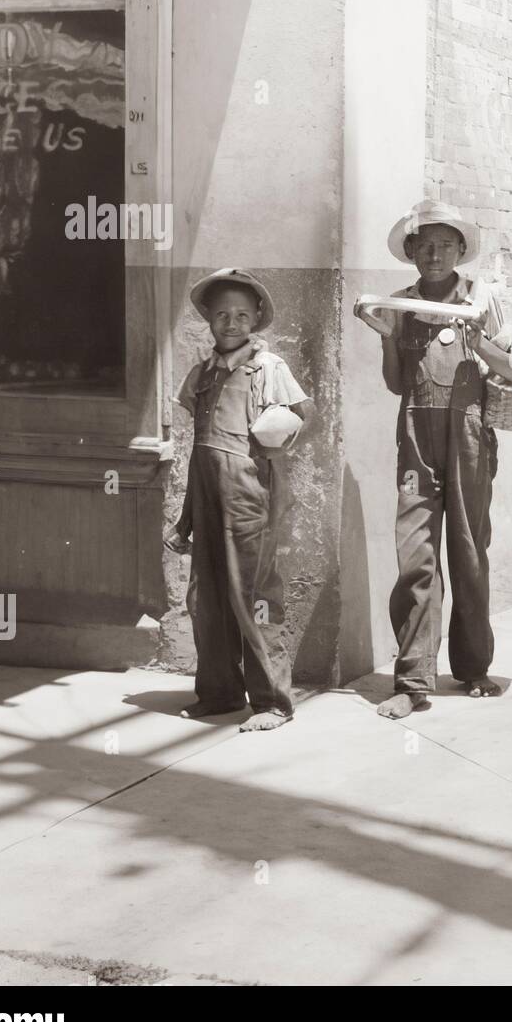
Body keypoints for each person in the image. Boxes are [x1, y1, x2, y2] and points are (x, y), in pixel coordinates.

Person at [368, 199, 512, 719]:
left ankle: (474, 668)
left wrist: (477, 337)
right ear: (410, 251)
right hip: (416, 437)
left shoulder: (484, 299)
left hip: (469, 438)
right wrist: (391, 338)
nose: (434, 254)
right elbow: (395, 383)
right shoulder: (399, 302)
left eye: (445, 245)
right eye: (424, 245)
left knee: (468, 552)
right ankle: (413, 680)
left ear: (461, 251)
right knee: (415, 558)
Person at [175, 268, 312, 730]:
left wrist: (280, 429)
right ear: (208, 321)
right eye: (221, 315)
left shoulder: (268, 369)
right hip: (208, 496)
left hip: (249, 500)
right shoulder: (202, 373)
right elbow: (201, 447)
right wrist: (186, 517)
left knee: (252, 596)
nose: (231, 324)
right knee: (206, 598)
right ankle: (219, 693)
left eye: (241, 315)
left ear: (256, 319)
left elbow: (302, 415)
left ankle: (273, 702)